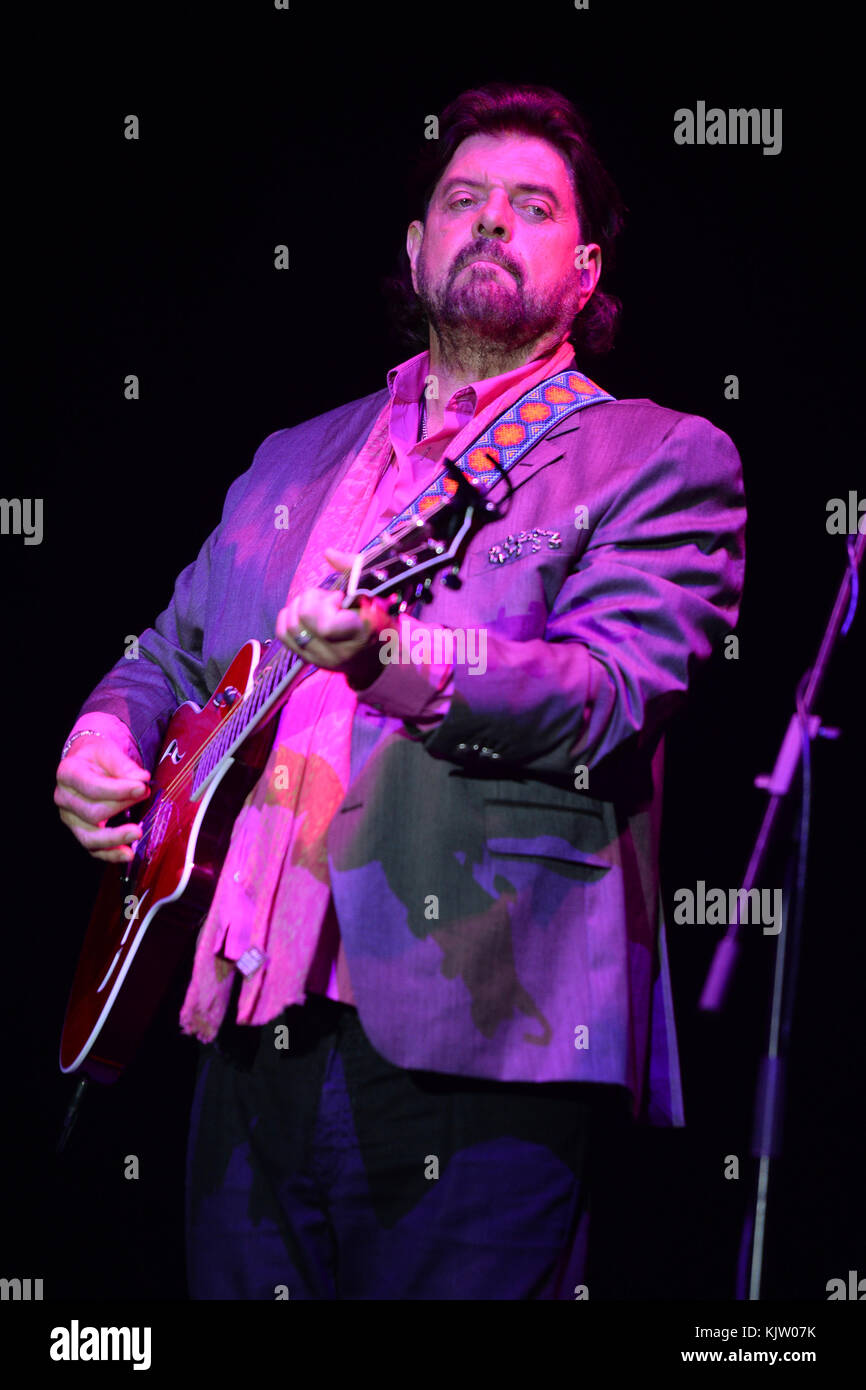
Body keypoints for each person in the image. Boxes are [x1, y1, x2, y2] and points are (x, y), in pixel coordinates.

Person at [54, 83, 746, 1300]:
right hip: (243, 1031)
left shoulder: (652, 454)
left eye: (531, 206)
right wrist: (106, 732)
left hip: (482, 1042)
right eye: (461, 199)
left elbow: (604, 692)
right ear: (415, 247)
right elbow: (166, 652)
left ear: (582, 272)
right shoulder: (294, 456)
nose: (490, 221)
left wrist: (393, 658)